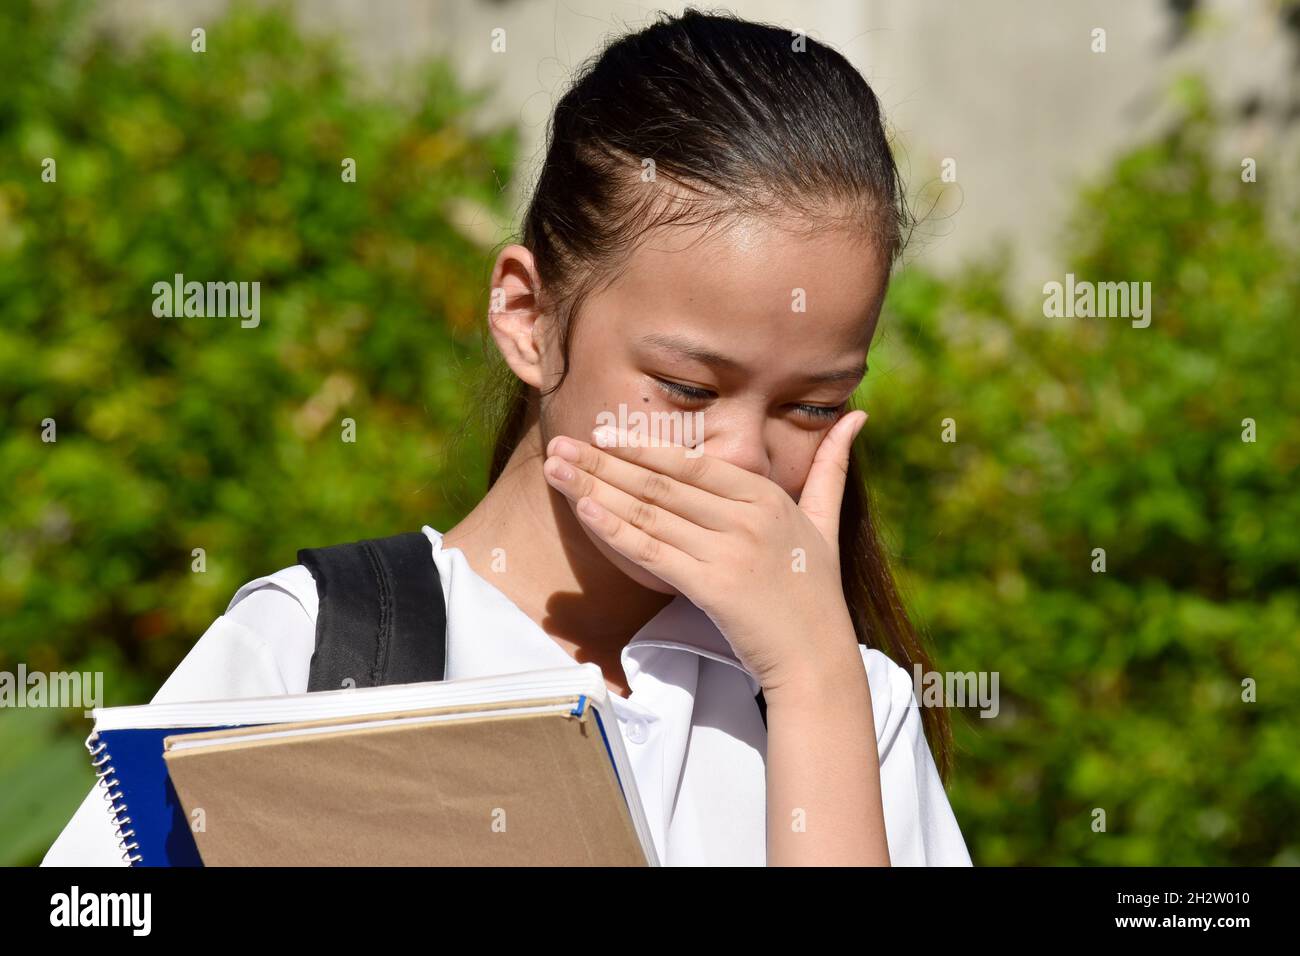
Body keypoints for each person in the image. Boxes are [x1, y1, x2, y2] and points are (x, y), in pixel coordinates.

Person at [43, 7, 972, 867]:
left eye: (812, 406)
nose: (738, 458)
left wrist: (813, 681)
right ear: (528, 315)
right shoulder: (318, 654)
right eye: (688, 387)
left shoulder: (850, 704)